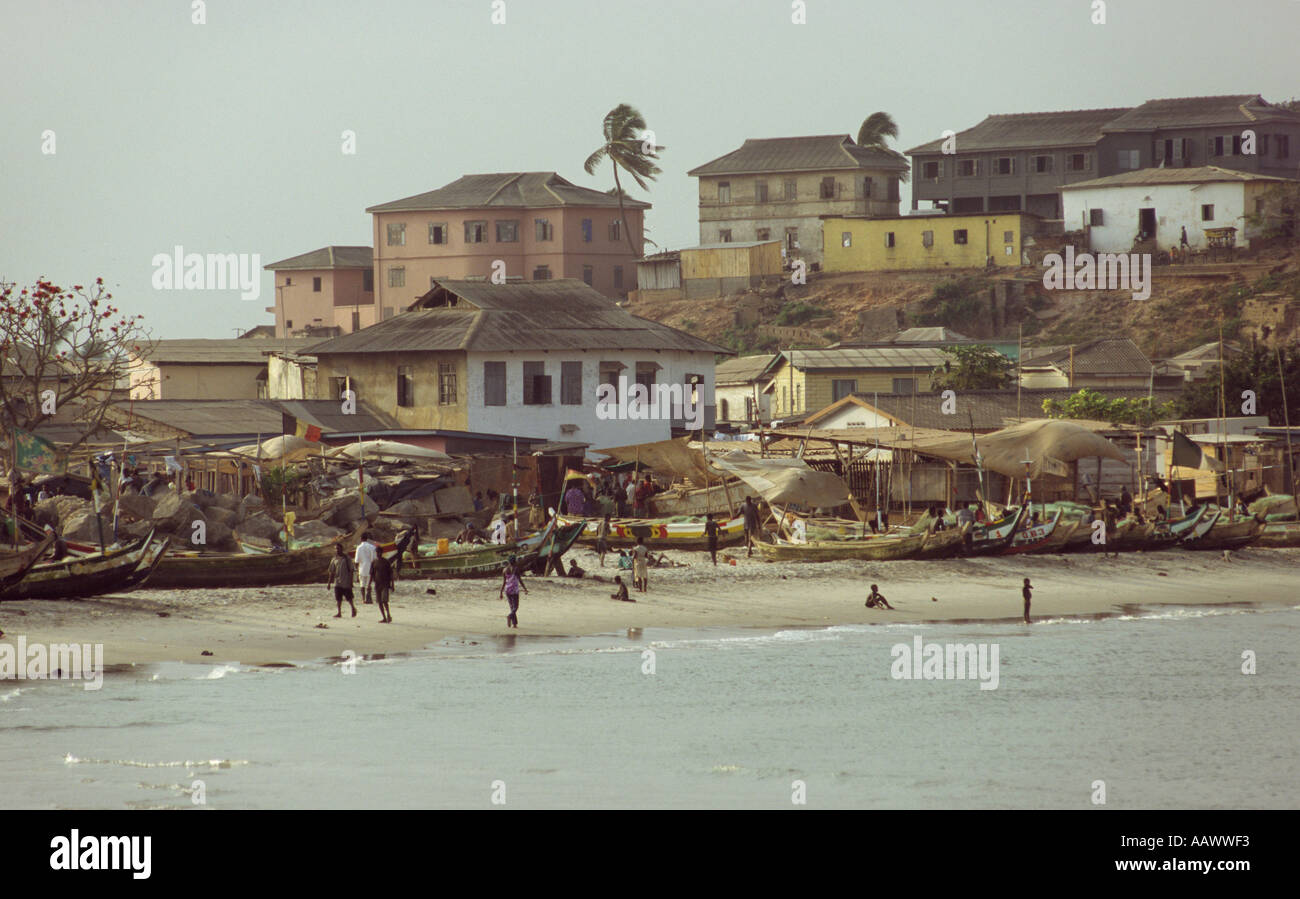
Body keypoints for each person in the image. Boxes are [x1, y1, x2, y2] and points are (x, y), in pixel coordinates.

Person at [327, 544, 357, 618]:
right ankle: (339, 612)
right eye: (336, 549)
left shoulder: (347, 558)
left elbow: (351, 570)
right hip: (337, 581)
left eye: (338, 548)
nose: (337, 550)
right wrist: (329, 583)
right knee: (338, 598)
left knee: (349, 598)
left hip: (346, 582)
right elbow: (331, 571)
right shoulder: (334, 559)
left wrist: (351, 582)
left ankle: (353, 608)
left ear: (342, 549)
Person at [499, 556, 527, 628]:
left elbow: (504, 582)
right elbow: (520, 580)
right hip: (514, 590)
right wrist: (525, 588)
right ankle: (510, 616)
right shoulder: (516, 569)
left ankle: (514, 624)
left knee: (512, 607)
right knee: (516, 607)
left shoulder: (504, 570)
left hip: (507, 590)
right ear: (515, 562)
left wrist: (501, 592)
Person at [354, 532, 377, 604]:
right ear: (367, 539)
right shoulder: (372, 547)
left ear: (361, 539)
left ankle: (363, 599)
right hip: (370, 568)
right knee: (369, 584)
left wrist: (356, 569)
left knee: (362, 584)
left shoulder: (359, 547)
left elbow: (357, 560)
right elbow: (374, 559)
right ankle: (369, 598)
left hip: (362, 568)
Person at [371, 554, 394, 623]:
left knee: (384, 601)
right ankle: (384, 617)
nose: (378, 554)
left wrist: (392, 584)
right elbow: (372, 574)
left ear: (381, 553)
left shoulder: (386, 562)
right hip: (377, 584)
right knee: (379, 602)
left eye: (379, 552)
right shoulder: (374, 562)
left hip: (385, 584)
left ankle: (388, 614)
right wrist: (369, 584)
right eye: (377, 552)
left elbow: (391, 573)